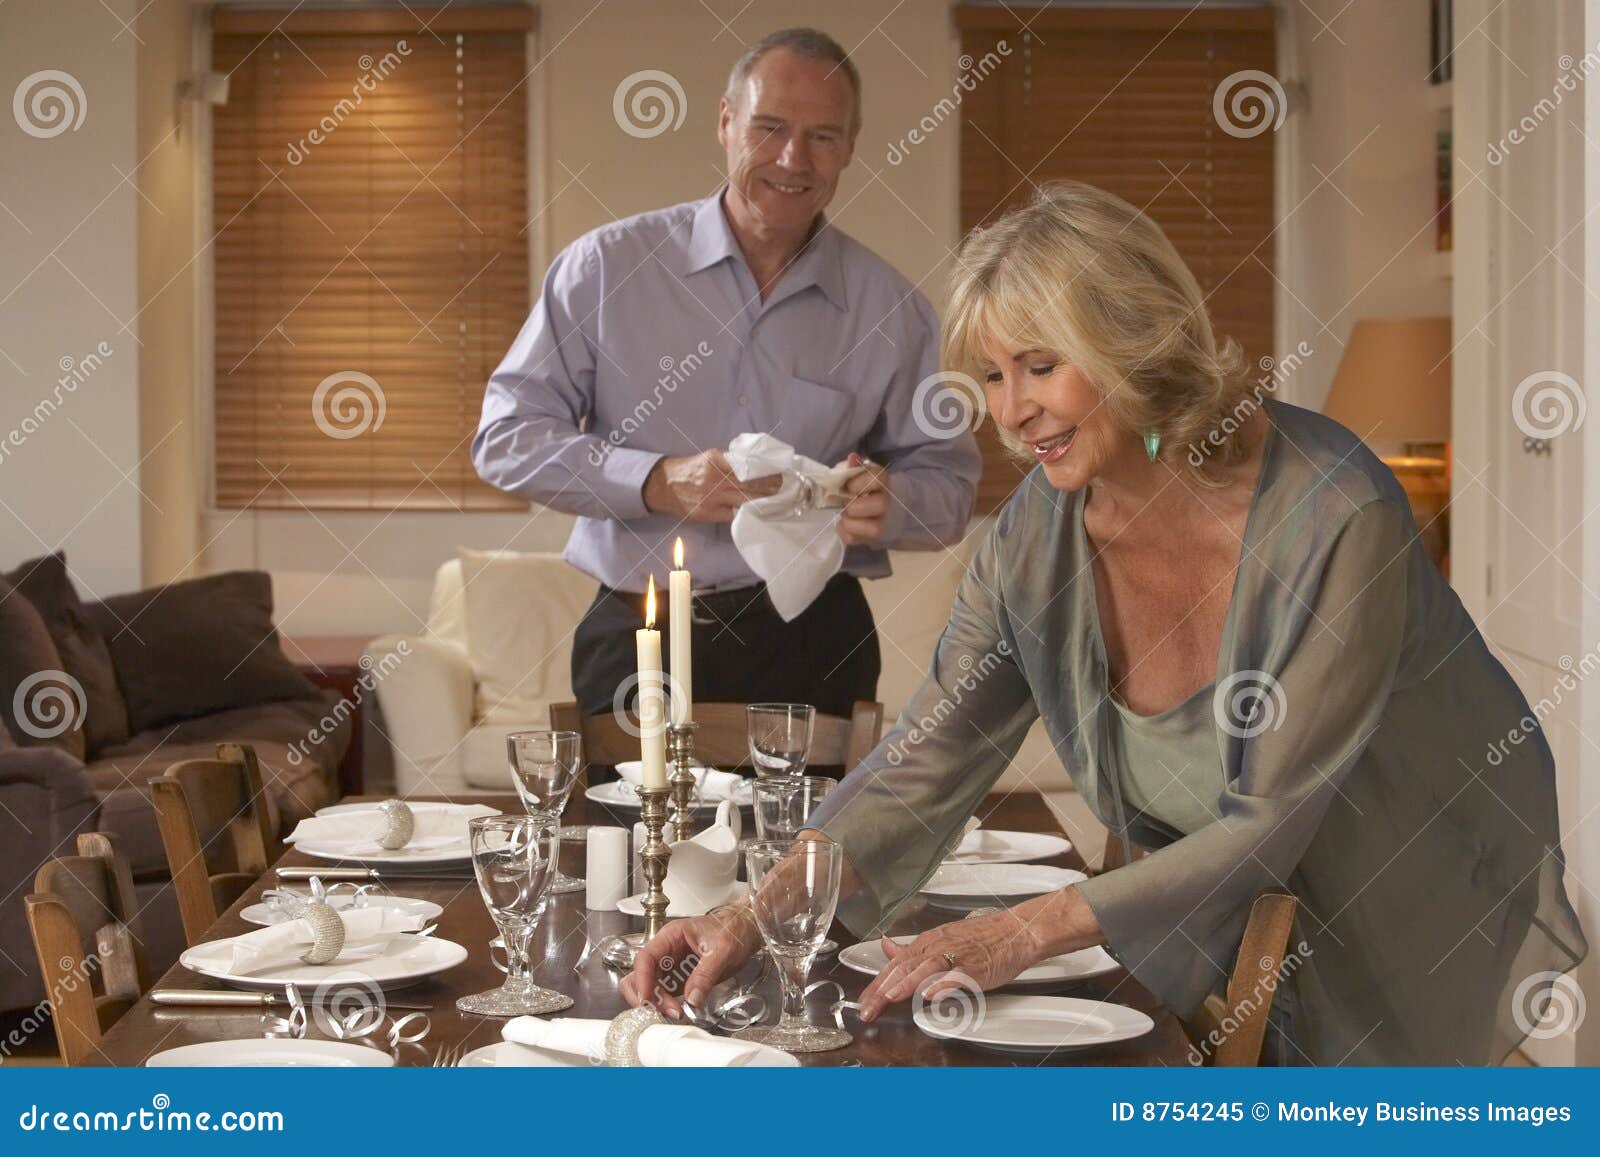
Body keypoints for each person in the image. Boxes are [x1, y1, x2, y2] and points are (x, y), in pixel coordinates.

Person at [622, 181, 1588, 1065]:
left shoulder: (1335, 514)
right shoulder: (1034, 541)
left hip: (1403, 882)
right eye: (992, 377)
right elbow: (923, 758)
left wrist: (1024, 929)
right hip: (1219, 917)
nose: (1013, 411)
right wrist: (750, 914)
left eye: (1041, 366)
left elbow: (1272, 820)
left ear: (1135, 339)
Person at [473, 27, 979, 722]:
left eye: (822, 137)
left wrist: (891, 505)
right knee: (629, 835)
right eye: (769, 127)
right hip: (640, 631)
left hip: (815, 641)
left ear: (850, 148)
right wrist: (653, 479)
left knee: (810, 838)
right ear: (725, 122)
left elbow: (951, 484)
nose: (793, 158)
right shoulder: (604, 271)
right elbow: (506, 438)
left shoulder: (894, 311)